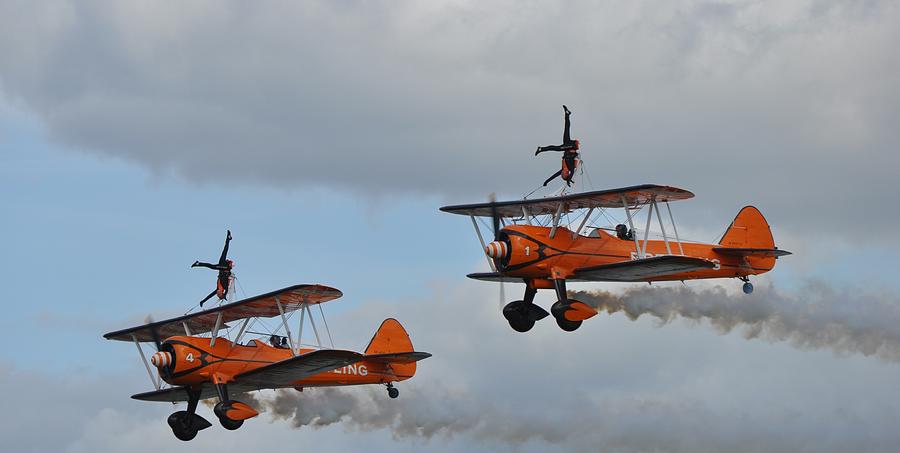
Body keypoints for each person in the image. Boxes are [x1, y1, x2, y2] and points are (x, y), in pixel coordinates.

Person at [535, 105, 581, 187]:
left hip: (567, 146)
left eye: (562, 174)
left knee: (566, 129)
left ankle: (567, 114)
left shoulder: (563, 170)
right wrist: (568, 180)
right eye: (563, 175)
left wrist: (546, 182)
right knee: (556, 148)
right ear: (566, 174)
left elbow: (554, 176)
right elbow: (572, 173)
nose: (562, 173)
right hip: (571, 147)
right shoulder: (570, 168)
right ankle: (541, 149)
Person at [192, 230, 234, 306]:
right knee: (212, 266)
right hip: (225, 268)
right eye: (219, 294)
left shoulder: (217, 289)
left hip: (222, 267)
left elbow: (209, 296)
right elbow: (227, 291)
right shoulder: (225, 287)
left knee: (224, 251)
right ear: (222, 293)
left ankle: (228, 238)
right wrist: (224, 296)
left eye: (217, 295)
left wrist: (202, 301)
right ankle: (198, 263)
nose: (217, 294)